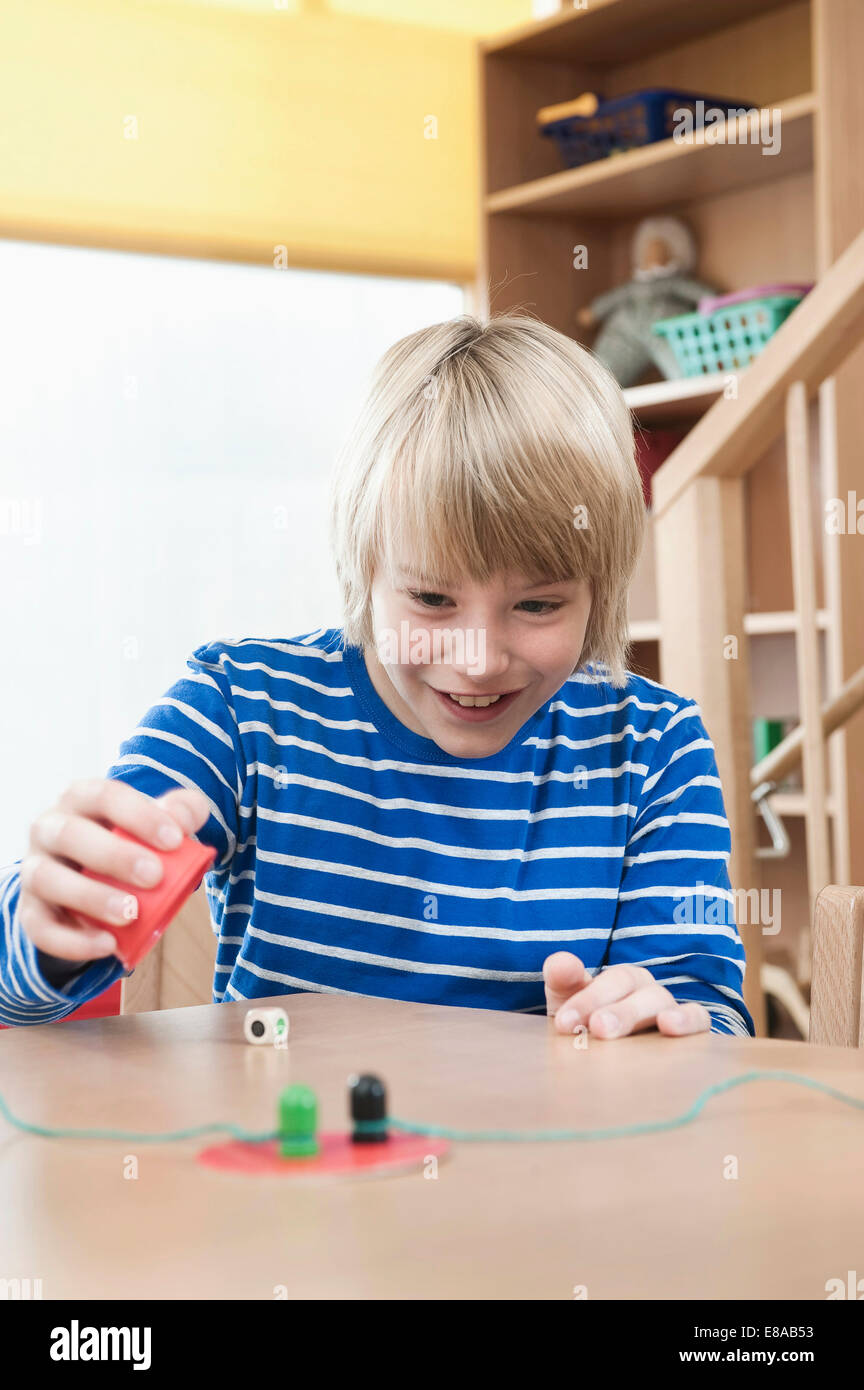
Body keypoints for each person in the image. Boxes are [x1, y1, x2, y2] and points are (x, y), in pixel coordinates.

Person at [1, 313, 754, 1037]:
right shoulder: (244, 710)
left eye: (537, 604)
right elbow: (28, 980)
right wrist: (51, 928)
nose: (479, 659)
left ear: (603, 587)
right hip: (283, 1160)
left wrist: (655, 1021)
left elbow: (705, 1016)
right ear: (365, 566)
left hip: (544, 1166)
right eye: (431, 598)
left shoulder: (657, 748)